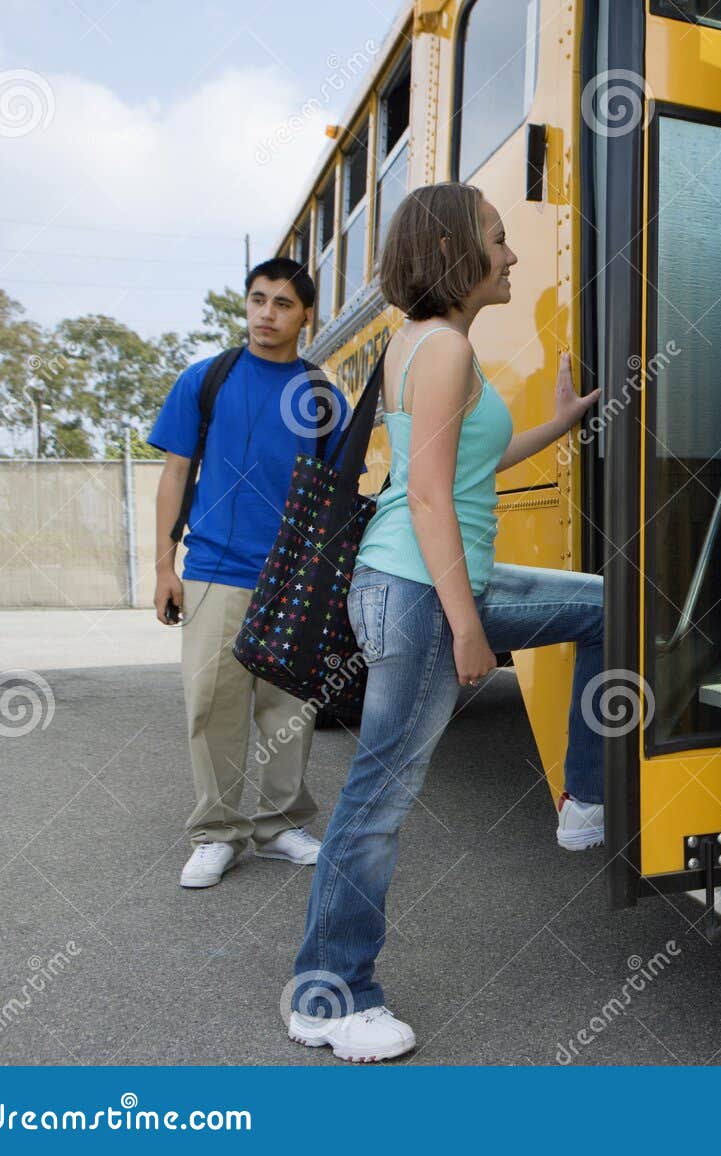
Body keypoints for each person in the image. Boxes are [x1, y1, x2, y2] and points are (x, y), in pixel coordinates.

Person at [287, 182, 604, 1063]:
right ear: (456, 253)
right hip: (421, 588)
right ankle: (331, 993)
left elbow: (467, 462)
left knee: (608, 608)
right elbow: (424, 493)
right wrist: (470, 627)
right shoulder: (444, 351)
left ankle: (584, 800)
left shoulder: (426, 345)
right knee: (378, 799)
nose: (512, 255)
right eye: (499, 241)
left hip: (434, 578)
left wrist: (560, 424)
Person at [150, 258, 349, 889]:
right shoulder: (205, 381)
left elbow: (337, 494)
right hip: (213, 570)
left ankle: (279, 824)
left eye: (283, 304)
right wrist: (164, 564)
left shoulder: (321, 395)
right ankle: (217, 833)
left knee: (288, 709)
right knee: (212, 707)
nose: (267, 313)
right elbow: (175, 474)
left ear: (304, 315)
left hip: (293, 578)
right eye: (258, 300)